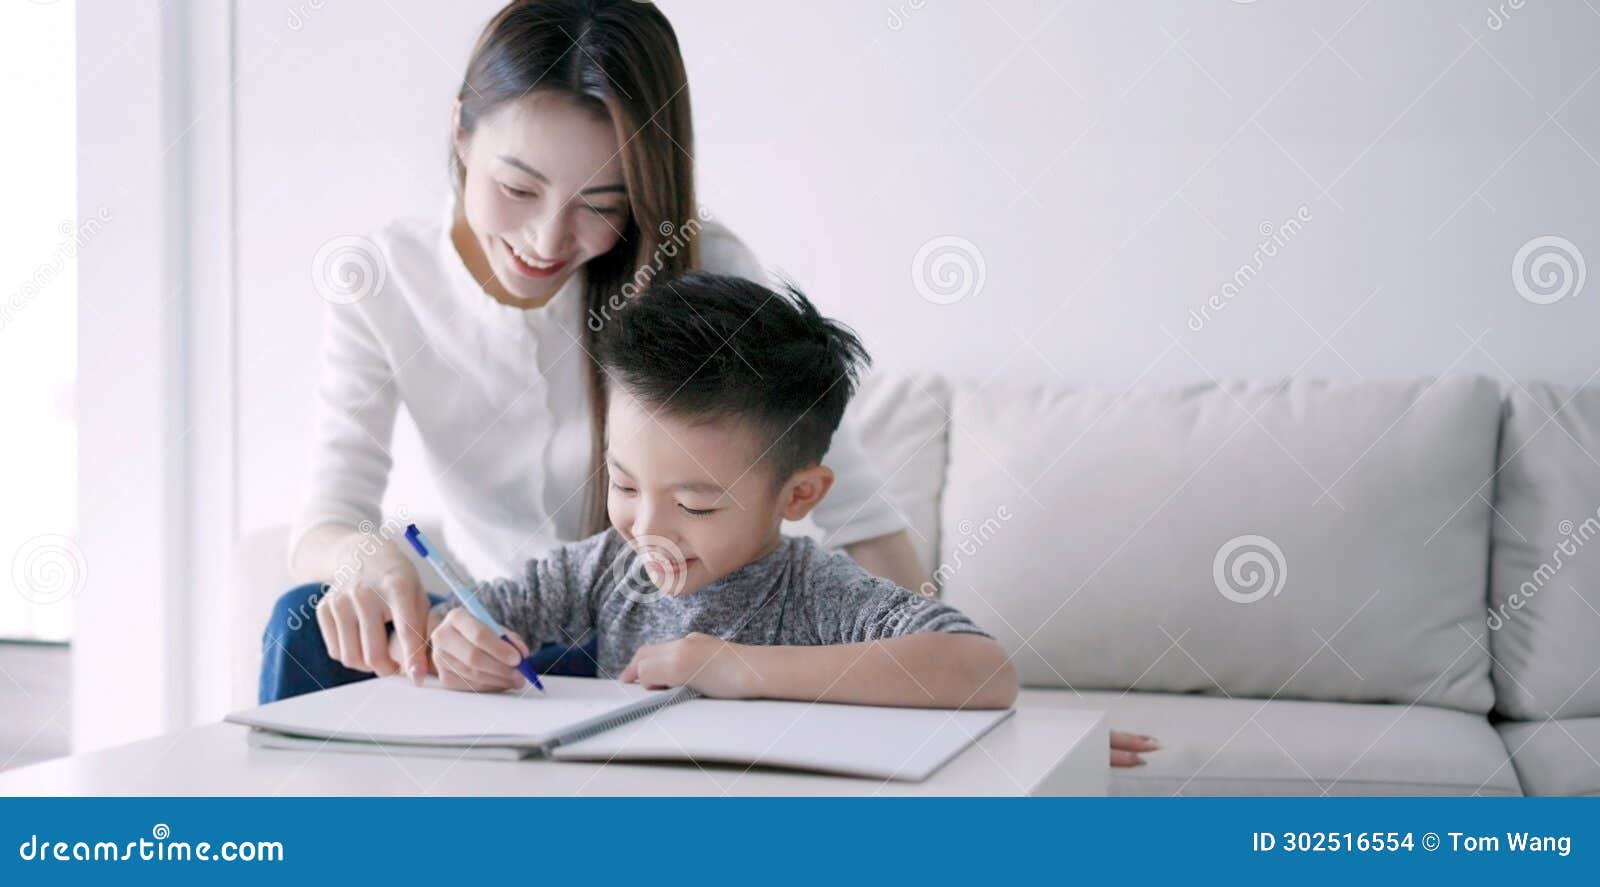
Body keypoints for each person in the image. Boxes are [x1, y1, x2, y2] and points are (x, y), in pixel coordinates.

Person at [408, 270, 1017, 709]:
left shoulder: (815, 593)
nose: (647, 528)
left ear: (798, 496)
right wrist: (457, 641)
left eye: (694, 504)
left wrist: (740, 668)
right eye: (624, 483)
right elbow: (469, 617)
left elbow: (983, 669)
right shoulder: (603, 570)